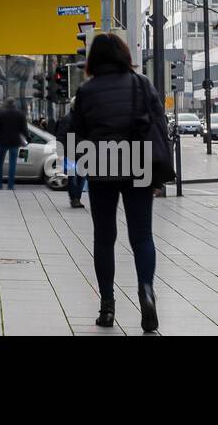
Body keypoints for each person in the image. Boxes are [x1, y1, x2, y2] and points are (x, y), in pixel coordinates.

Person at [69, 33, 166, 333]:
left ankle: (107, 306)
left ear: (93, 60)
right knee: (142, 237)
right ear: (124, 55)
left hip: (102, 164)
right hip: (138, 161)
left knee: (104, 237)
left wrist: (82, 168)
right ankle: (146, 291)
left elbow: (75, 134)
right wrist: (158, 172)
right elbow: (159, 124)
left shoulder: (87, 91)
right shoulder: (141, 84)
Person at [0, 97, 28, 190]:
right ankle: (10, 185)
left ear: (6, 103)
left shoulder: (0, 113)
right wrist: (28, 138)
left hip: (2, 141)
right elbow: (24, 129)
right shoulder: (20, 114)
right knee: (12, 164)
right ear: (14, 104)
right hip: (15, 142)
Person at [56, 110, 85, 208]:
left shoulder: (83, 118)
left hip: (80, 151)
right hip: (72, 152)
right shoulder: (68, 119)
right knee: (74, 176)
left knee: (79, 176)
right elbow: (61, 136)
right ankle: (75, 198)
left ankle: (76, 198)